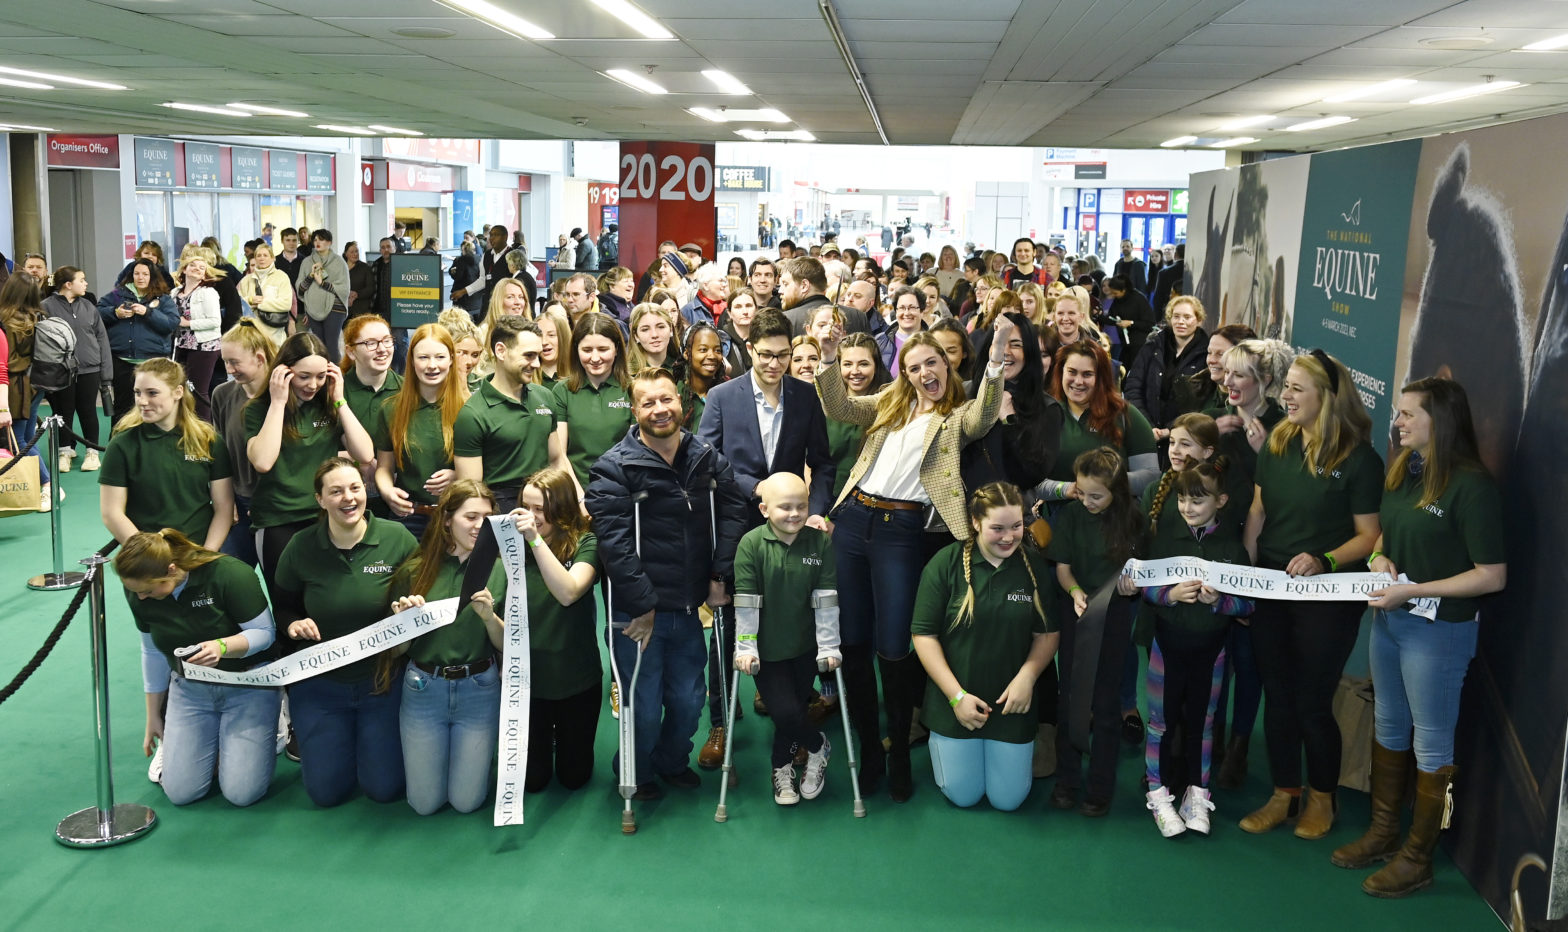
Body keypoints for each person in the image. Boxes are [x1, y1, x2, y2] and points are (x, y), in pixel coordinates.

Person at [816, 314, 1014, 801]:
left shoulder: (956, 416)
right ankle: (869, 749)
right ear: (902, 372)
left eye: (933, 363)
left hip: (901, 531)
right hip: (854, 520)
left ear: (948, 366)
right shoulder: (890, 402)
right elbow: (840, 405)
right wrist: (826, 355)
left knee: (895, 646)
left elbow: (985, 415)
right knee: (855, 643)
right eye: (913, 366)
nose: (925, 372)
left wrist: (994, 363)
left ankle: (900, 748)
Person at [1333, 378, 1505, 897]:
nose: (1398, 422)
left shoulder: (1472, 486)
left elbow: (1492, 575)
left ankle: (1418, 857)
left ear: (1441, 421)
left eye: (1409, 415)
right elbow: (1386, 534)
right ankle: (1385, 833)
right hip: (1391, 622)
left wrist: (1416, 591)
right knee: (1389, 722)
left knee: (1431, 741)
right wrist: (1379, 558)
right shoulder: (1404, 470)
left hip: (1440, 631)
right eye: (1399, 413)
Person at [586, 367, 748, 799]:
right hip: (637, 613)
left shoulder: (704, 456)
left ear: (681, 402)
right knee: (641, 706)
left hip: (688, 605)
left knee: (688, 699)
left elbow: (732, 509)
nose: (660, 410)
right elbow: (614, 545)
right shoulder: (612, 468)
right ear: (635, 410)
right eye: (648, 403)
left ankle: (671, 760)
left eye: (666, 399)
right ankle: (635, 773)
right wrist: (643, 604)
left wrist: (719, 575)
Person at [1241, 349, 1382, 839]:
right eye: (1287, 387)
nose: (1286, 396)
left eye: (1298, 388)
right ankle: (1285, 793)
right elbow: (1258, 512)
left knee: (1311, 701)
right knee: (1277, 698)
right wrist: (1246, 573)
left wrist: (1324, 560)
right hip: (1272, 588)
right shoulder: (1278, 441)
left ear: (1327, 396)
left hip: (1327, 593)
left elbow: (1369, 536)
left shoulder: (1360, 459)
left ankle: (1324, 798)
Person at [695, 309, 836, 765]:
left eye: (784, 356)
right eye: (767, 355)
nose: (776, 364)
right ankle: (720, 721)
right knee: (731, 626)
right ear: (750, 349)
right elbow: (707, 461)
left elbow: (824, 462)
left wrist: (814, 512)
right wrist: (755, 489)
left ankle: (791, 724)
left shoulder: (805, 396)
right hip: (738, 524)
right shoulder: (721, 396)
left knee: (793, 621)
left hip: (794, 529)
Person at [273, 457, 418, 807]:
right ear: (320, 500)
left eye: (355, 488)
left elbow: (422, 594)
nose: (348, 498)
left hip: (380, 682)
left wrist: (410, 610)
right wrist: (292, 623)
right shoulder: (301, 546)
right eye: (335, 492)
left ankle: (367, 746)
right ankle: (339, 744)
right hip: (320, 685)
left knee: (384, 790)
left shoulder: (397, 537)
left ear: (365, 490)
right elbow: (282, 605)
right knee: (326, 794)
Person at [911, 481, 1058, 811]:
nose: (1009, 537)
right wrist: (956, 697)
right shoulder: (944, 564)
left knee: (1009, 800)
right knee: (963, 796)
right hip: (957, 705)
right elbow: (923, 636)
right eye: (997, 528)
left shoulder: (1033, 568)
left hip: (1012, 706)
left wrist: (1027, 678)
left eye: (1017, 525)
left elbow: (1047, 634)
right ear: (975, 523)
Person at [115, 528, 280, 806]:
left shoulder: (230, 574)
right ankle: (217, 743)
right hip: (190, 690)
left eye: (147, 591)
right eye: (137, 592)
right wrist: (153, 715)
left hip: (249, 685)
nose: (141, 598)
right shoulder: (138, 588)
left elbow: (265, 634)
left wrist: (223, 646)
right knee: (181, 793)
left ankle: (272, 726)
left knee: (241, 794)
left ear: (171, 569)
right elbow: (152, 650)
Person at [1139, 462, 1256, 837]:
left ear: (1220, 501)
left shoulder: (1232, 548)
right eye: (1182, 500)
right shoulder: (1166, 540)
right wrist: (1170, 595)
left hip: (1212, 651)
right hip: (1167, 645)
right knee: (1160, 723)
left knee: (1203, 724)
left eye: (1198, 501)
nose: (1188, 508)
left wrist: (1221, 602)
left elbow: (1249, 604)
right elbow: (1145, 587)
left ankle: (1197, 794)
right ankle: (1158, 794)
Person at [388, 480, 509, 815]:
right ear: (446, 520)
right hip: (423, 689)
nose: (479, 526)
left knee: (466, 802)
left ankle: (479, 761)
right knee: (424, 805)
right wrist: (404, 625)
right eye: (470, 516)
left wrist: (489, 618)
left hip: (480, 688)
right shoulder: (415, 570)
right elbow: (396, 654)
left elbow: (508, 646)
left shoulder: (502, 571)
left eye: (487, 518)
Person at [1046, 447, 1144, 816]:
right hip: (1076, 613)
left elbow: (1141, 573)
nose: (1086, 500)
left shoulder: (1134, 521)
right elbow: (1063, 568)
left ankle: (1100, 786)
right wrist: (1074, 593)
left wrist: (1132, 586)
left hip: (1115, 616)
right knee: (1070, 697)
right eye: (1081, 491)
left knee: (1105, 703)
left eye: (1096, 496)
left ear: (1117, 493)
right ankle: (1067, 780)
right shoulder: (1071, 515)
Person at [732, 472, 841, 805]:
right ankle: (819, 746)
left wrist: (829, 645)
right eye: (784, 507)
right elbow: (747, 604)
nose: (794, 514)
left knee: (792, 711)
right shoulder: (750, 544)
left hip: (805, 647)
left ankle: (781, 771)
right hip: (767, 650)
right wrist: (746, 645)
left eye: (801, 506)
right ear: (764, 509)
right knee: (785, 712)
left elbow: (826, 599)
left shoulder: (819, 542)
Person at [245, 331, 375, 601]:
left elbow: (364, 454)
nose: (313, 385)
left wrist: (339, 399)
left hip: (324, 518)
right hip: (279, 520)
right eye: (304, 376)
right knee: (287, 603)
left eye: (320, 376)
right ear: (284, 372)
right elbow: (262, 461)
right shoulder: (260, 408)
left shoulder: (328, 406)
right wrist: (279, 402)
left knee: (327, 599)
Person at [100, 355, 234, 561]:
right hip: (147, 560)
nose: (142, 401)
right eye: (137, 393)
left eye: (152, 393)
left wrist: (205, 555)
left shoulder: (208, 441)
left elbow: (223, 508)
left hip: (198, 555)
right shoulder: (121, 445)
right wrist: (151, 558)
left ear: (178, 392)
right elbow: (112, 513)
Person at [454, 315, 565, 512]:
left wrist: (578, 502)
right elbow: (471, 493)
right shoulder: (473, 414)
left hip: (545, 507)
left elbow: (557, 460)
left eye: (538, 356)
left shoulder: (545, 397)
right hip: (500, 513)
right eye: (529, 355)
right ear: (501, 351)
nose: (537, 364)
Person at [1038, 340, 1159, 515]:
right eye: (1072, 372)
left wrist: (1107, 483)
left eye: (1087, 374)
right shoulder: (1046, 414)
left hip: (1115, 520)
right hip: (1060, 521)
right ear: (1060, 372)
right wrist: (1066, 489)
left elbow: (1151, 477)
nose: (1078, 381)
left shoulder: (1125, 414)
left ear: (1101, 378)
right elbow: (1030, 482)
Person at [371, 322, 465, 540]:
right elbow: (384, 467)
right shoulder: (391, 409)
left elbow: (483, 469)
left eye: (440, 357)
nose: (432, 365)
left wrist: (458, 475)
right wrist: (387, 492)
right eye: (423, 357)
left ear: (451, 359)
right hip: (407, 516)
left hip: (454, 514)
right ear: (411, 360)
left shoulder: (469, 409)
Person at [212, 320, 276, 565]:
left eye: (234, 362)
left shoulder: (283, 396)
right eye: (225, 362)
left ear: (259, 358)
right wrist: (226, 503)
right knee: (231, 575)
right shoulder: (222, 394)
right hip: (238, 502)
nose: (229, 369)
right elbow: (220, 454)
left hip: (276, 506)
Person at [551, 312, 633, 496]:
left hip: (622, 492)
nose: (595, 358)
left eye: (603, 349)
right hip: (575, 491)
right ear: (576, 350)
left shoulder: (632, 389)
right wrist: (580, 499)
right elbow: (559, 456)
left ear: (617, 348)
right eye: (587, 350)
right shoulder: (562, 391)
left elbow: (636, 452)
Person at [43, 265, 111, 473]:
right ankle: (65, 451)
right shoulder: (45, 307)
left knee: (88, 411)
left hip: (90, 369)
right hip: (61, 371)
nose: (86, 283)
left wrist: (106, 374)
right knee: (63, 413)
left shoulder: (89, 306)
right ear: (68, 284)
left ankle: (92, 451)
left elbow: (101, 338)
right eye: (82, 280)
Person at [99, 258, 178, 426]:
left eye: (145, 274)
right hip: (122, 360)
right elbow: (96, 313)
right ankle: (118, 444)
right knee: (122, 406)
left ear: (152, 276)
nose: (140, 277)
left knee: (153, 405)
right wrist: (115, 313)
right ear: (131, 275)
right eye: (136, 273)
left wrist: (148, 313)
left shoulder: (163, 299)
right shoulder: (116, 295)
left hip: (152, 362)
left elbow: (171, 324)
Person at [1124, 295, 1211, 445]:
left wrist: (1170, 429)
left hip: (1185, 436)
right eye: (1176, 316)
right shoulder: (1153, 345)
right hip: (1146, 432)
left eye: (1187, 317)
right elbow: (1133, 386)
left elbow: (1202, 402)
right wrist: (1147, 425)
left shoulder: (1207, 353)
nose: (1181, 321)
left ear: (1199, 320)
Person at [0, 274, 53, 505]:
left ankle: (46, 485)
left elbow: (7, 362)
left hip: (15, 387)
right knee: (29, 437)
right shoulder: (39, 317)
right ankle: (45, 486)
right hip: (37, 382)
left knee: (20, 440)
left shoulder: (7, 320)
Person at [170, 249, 225, 421]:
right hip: (181, 345)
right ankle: (184, 424)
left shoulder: (208, 292)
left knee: (198, 390)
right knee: (180, 387)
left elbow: (215, 321)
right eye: (192, 265)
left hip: (204, 346)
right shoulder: (175, 293)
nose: (197, 268)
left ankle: (204, 429)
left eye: (202, 267)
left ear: (205, 274)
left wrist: (187, 323)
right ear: (184, 270)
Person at [295, 229, 351, 360]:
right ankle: (321, 376)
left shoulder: (339, 262)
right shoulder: (307, 262)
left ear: (329, 242)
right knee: (318, 346)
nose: (317, 242)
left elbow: (344, 289)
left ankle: (335, 377)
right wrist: (311, 276)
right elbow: (300, 289)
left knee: (331, 346)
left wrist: (323, 284)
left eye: (321, 239)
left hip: (335, 308)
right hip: (313, 308)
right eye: (315, 239)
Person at [239, 242, 295, 347]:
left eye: (265, 255)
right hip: (251, 334)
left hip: (274, 336)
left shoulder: (282, 277)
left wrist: (260, 304)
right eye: (258, 255)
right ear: (254, 259)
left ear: (273, 258)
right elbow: (237, 303)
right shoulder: (246, 280)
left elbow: (286, 304)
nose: (261, 258)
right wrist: (250, 300)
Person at [679, 320, 725, 432]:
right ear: (686, 354)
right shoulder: (676, 394)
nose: (712, 356)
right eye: (703, 350)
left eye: (717, 350)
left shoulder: (729, 392)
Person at [1101, 275, 1155, 365]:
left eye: (1115, 293)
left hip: (1139, 344)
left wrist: (1131, 323)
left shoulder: (1139, 299)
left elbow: (1149, 323)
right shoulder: (1118, 300)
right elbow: (1112, 318)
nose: (1113, 296)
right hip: (1125, 344)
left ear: (1124, 290)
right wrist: (1098, 316)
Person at [877, 287, 927, 377]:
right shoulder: (880, 341)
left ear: (922, 311)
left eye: (912, 308)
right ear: (896, 312)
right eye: (902, 308)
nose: (907, 313)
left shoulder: (933, 341)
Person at [437, 309, 485, 393]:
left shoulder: (481, 385)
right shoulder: (430, 382)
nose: (469, 362)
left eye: (475, 355)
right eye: (462, 353)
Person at [628, 302, 681, 374]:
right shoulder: (625, 373)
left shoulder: (682, 368)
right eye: (645, 329)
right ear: (636, 335)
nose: (654, 335)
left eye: (660, 327)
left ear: (671, 329)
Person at [448, 240, 483, 319]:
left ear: (463, 250)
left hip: (462, 297)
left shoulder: (460, 260)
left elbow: (457, 276)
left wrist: (452, 271)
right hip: (477, 298)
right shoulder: (480, 259)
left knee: (461, 322)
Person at [536, 310, 571, 386]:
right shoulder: (526, 378)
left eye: (551, 335)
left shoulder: (577, 375)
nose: (544, 342)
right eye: (539, 335)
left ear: (563, 338)